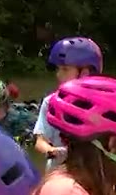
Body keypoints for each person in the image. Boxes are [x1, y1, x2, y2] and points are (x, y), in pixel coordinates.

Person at [32, 36, 103, 168]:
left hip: (90, 173)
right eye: (58, 69)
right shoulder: (51, 102)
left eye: (65, 69)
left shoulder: (101, 105)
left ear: (85, 73)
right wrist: (51, 150)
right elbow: (40, 141)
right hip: (58, 172)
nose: (58, 74)